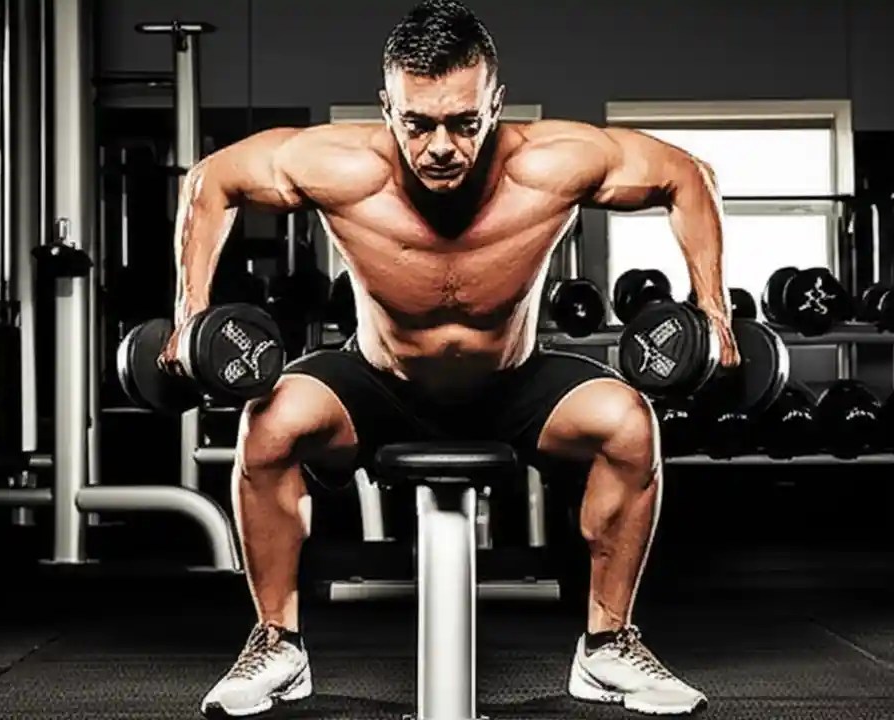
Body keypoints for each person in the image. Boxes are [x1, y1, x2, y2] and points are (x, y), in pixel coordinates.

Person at [162, 1, 736, 715]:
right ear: (387, 106)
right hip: (377, 379)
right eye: (417, 123)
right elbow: (210, 182)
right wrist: (190, 316)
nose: (441, 146)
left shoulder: (553, 163)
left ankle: (607, 645)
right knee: (267, 424)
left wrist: (712, 307)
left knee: (631, 422)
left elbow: (688, 175)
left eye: (464, 123)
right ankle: (277, 642)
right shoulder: (336, 164)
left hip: (514, 380)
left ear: (495, 103)